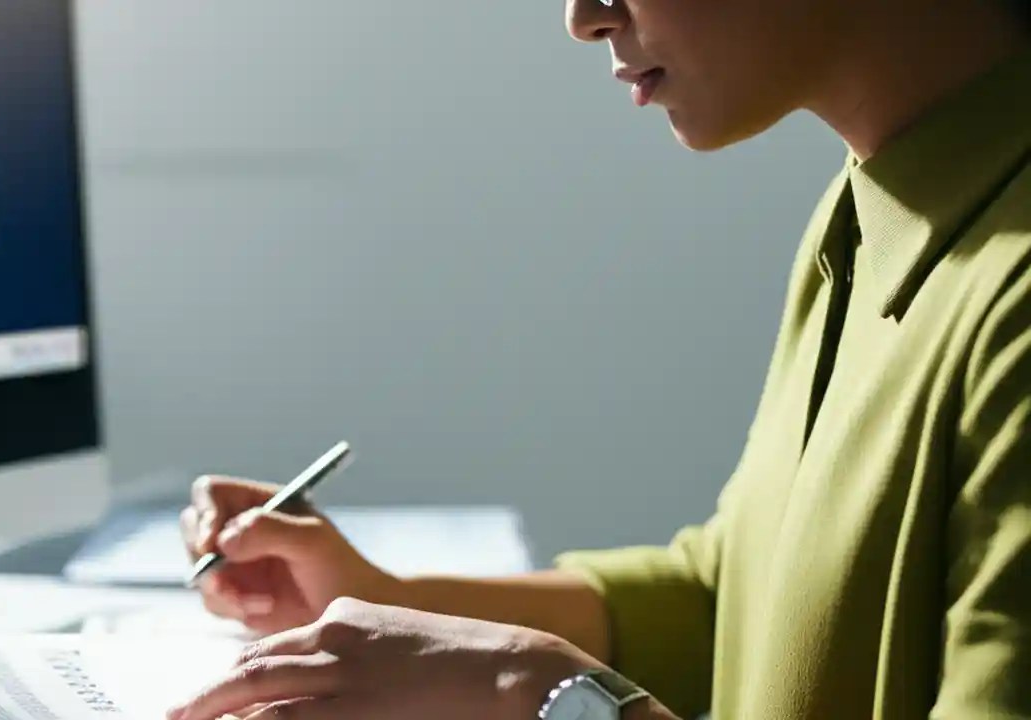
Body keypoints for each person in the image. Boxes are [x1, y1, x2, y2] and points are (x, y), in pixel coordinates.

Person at [168, 0, 1031, 717]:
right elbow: (727, 605)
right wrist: (377, 597)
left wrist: (545, 694)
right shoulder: (868, 213)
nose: (583, 16)